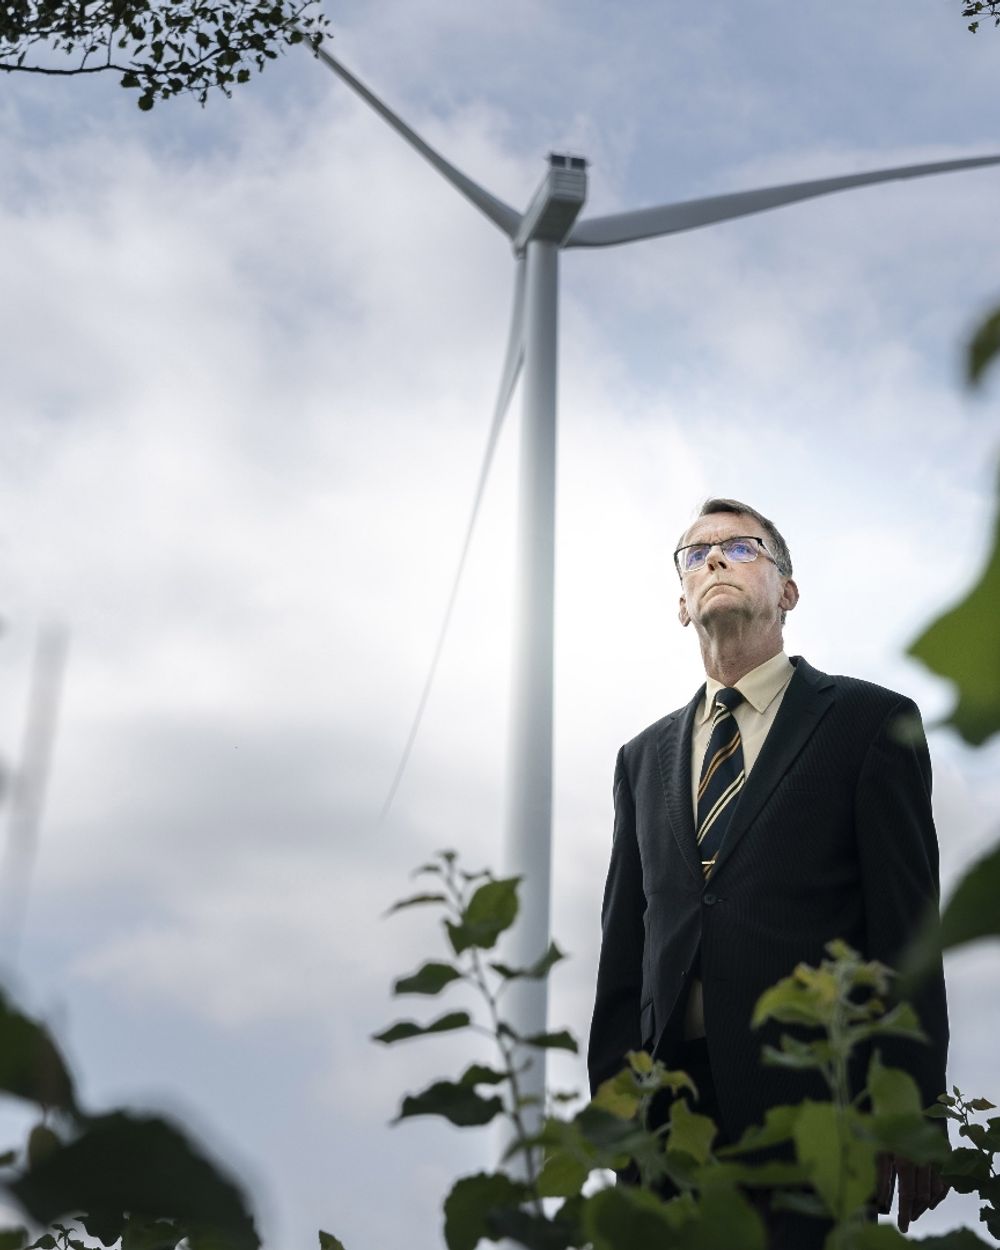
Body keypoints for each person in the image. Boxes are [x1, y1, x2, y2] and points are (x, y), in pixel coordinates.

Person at [587, 498, 949, 1248]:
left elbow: (907, 930)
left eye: (740, 547)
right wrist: (614, 1112)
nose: (714, 558)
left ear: (787, 590)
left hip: (815, 1106)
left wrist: (910, 1106)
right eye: (696, 554)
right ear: (682, 606)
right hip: (669, 1120)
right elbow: (624, 953)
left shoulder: (869, 724)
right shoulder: (641, 758)